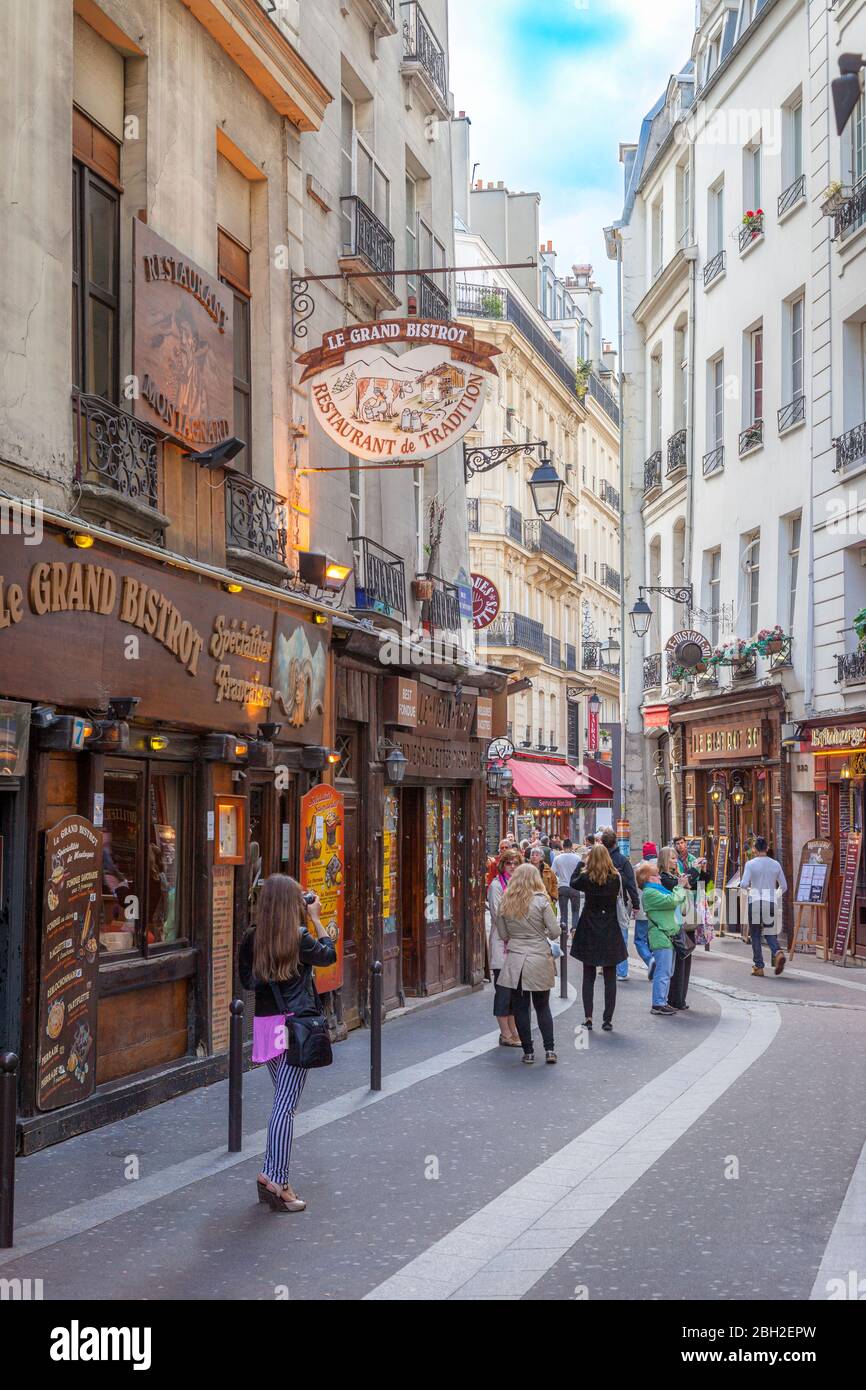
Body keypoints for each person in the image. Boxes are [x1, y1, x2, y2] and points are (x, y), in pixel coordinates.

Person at [238, 875, 336, 1213]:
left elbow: (246, 980)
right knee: (285, 1106)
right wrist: (317, 918)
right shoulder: (299, 937)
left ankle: (275, 1176)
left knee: (283, 1100)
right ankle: (275, 1177)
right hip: (294, 1028)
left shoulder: (251, 938)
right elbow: (329, 955)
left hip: (266, 1026)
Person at [496, 862, 560, 1064]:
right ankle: (549, 1050)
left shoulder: (506, 902)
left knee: (521, 1008)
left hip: (516, 960)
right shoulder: (541, 901)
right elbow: (555, 931)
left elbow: (503, 934)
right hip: (539, 957)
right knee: (542, 1006)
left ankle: (528, 1052)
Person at [570, 844, 628, 1032]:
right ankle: (608, 1019)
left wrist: (581, 861)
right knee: (610, 976)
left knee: (589, 975)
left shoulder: (587, 878)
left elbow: (573, 882)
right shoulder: (615, 878)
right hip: (610, 927)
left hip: (589, 927)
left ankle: (588, 1017)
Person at [638, 860, 687, 1016]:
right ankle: (658, 1003)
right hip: (661, 936)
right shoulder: (650, 893)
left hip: (668, 936)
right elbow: (672, 901)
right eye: (655, 876)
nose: (659, 878)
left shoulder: (658, 890)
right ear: (647, 878)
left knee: (668, 971)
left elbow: (678, 902)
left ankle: (662, 1001)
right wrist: (679, 886)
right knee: (663, 971)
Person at [486, 849, 523, 1046]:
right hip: (502, 943)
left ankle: (513, 1029)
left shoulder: (519, 885)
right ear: (502, 865)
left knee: (515, 991)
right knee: (503, 990)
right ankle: (505, 1032)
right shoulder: (496, 886)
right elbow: (497, 914)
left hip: (517, 944)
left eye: (516, 862)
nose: (513, 866)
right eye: (509, 863)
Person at [739, 837, 787, 976]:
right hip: (770, 901)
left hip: (755, 901)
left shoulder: (750, 864)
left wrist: (748, 890)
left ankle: (759, 967)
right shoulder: (776, 864)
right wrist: (775, 895)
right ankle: (777, 952)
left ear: (754, 849)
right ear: (767, 848)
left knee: (755, 934)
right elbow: (784, 886)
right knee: (770, 932)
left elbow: (743, 883)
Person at [599, 827, 640, 982]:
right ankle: (622, 970)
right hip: (619, 903)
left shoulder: (599, 861)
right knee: (622, 935)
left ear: (602, 843)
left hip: (601, 903)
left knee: (604, 935)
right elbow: (631, 884)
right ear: (616, 842)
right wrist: (636, 904)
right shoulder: (622, 860)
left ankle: (606, 966)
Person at [659, 846, 694, 1011]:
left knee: (685, 961)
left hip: (684, 922)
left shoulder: (675, 876)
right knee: (678, 963)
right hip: (674, 924)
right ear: (665, 859)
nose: (675, 860)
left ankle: (680, 998)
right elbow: (677, 890)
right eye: (672, 858)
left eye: (676, 858)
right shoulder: (664, 877)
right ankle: (675, 999)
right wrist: (685, 880)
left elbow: (690, 884)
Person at [633, 842, 658, 970]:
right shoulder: (661, 866)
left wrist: (632, 907)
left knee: (639, 940)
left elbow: (632, 890)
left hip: (642, 910)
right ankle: (657, 964)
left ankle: (650, 960)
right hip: (658, 910)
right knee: (654, 939)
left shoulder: (638, 867)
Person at [552, 838, 581, 935]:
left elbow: (553, 873)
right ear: (571, 846)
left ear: (563, 847)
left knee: (563, 912)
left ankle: (563, 931)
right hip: (575, 887)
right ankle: (575, 929)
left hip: (562, 887)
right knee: (575, 911)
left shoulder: (557, 858)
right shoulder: (577, 858)